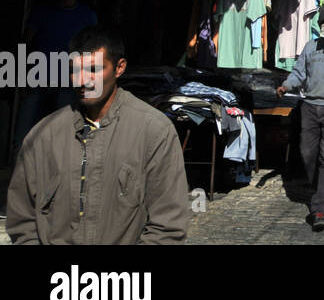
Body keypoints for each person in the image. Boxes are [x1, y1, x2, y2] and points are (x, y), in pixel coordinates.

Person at [6, 25, 190, 244]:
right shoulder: (44, 135)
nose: (83, 81)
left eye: (94, 70)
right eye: (75, 70)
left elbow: (168, 226)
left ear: (119, 67)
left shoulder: (153, 131)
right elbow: (22, 220)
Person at [276, 5, 324, 232]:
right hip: (310, 105)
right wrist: (286, 85)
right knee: (307, 153)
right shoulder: (310, 46)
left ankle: (319, 209)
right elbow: (299, 72)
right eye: (323, 23)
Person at [12, 0, 100, 153]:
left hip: (69, 79)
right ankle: (17, 166)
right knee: (24, 128)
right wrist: (21, 76)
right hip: (38, 74)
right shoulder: (43, 11)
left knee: (64, 129)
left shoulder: (87, 16)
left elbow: (93, 50)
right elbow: (25, 42)